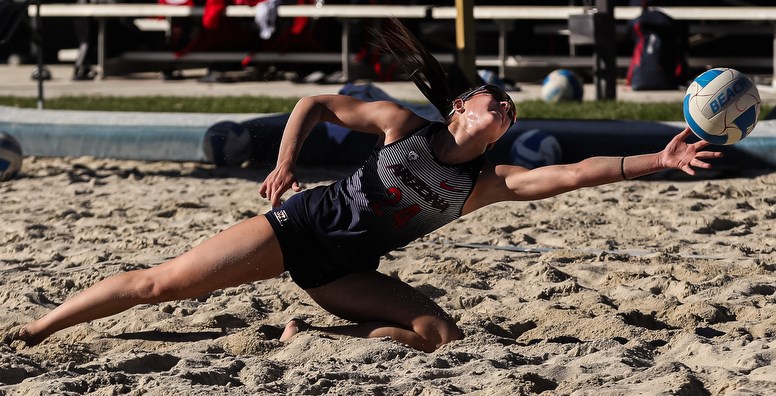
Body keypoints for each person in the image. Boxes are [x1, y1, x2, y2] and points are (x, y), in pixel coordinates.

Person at [5, 18, 721, 353]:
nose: (504, 107)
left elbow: (572, 174)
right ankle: (36, 329)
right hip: (298, 228)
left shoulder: (485, 182)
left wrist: (655, 161)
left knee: (439, 334)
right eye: (494, 97)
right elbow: (313, 103)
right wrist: (286, 163)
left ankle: (310, 332)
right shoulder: (402, 126)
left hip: (346, 271)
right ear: (460, 107)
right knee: (161, 284)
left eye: (511, 110)